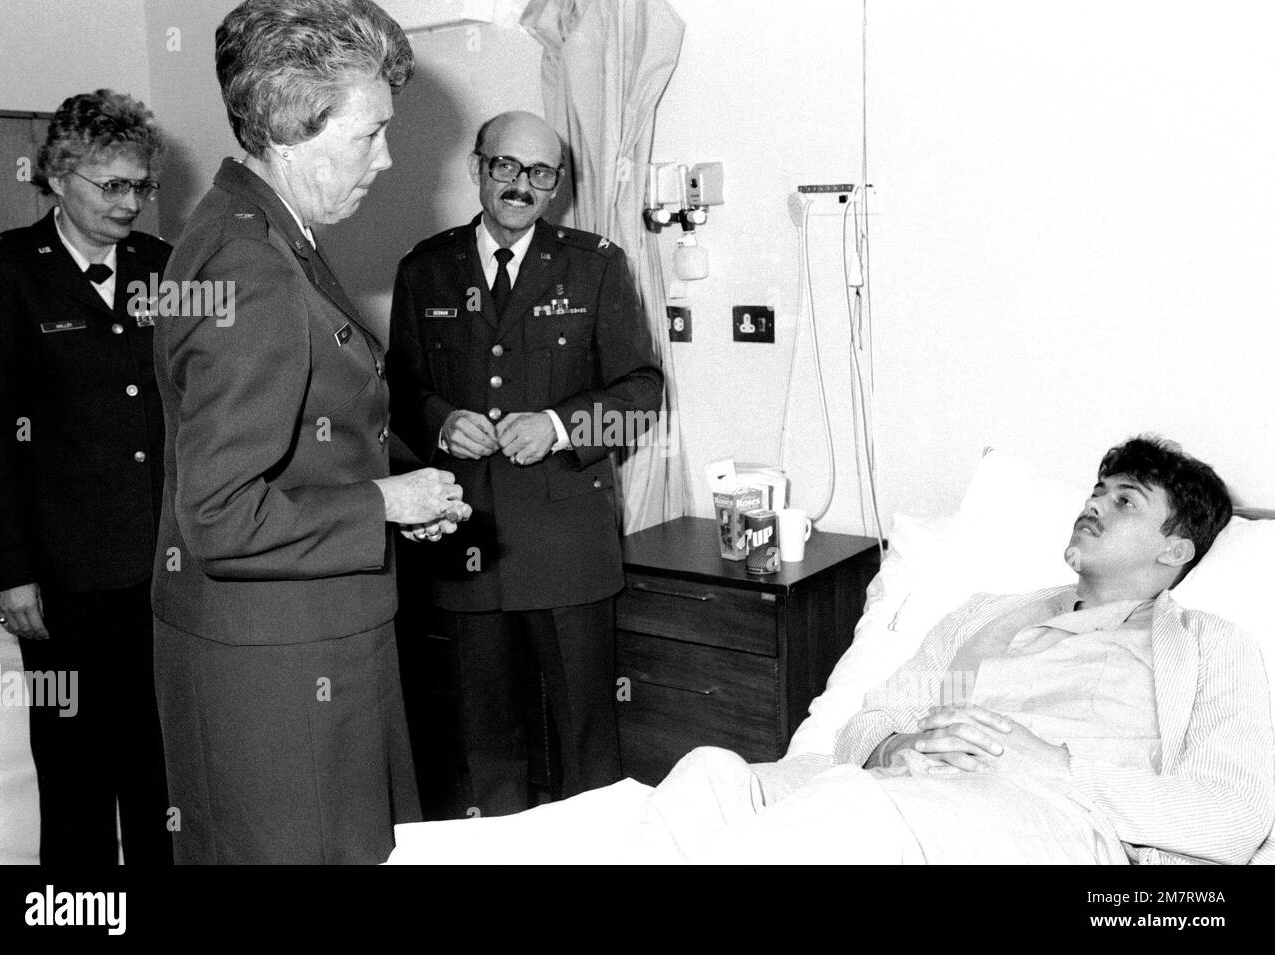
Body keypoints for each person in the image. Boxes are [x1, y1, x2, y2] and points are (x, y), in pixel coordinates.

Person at [151, 0, 470, 865]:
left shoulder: (259, 229)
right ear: (292, 130)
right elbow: (218, 513)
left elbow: (313, 429)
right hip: (281, 674)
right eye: (370, 134)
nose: (389, 157)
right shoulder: (252, 268)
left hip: (303, 636)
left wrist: (406, 498)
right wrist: (382, 501)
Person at [638, 435, 1273, 864]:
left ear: (1174, 549)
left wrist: (1052, 764)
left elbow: (1232, 818)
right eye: (1098, 490)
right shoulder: (990, 616)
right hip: (903, 786)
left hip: (1057, 820)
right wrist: (894, 747)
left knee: (849, 816)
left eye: (1125, 500)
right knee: (711, 778)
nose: (1093, 504)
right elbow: (874, 723)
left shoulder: (1205, 648)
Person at [388, 110, 663, 816]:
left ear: (557, 187)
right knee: (484, 745)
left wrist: (559, 425)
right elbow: (398, 390)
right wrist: (441, 422)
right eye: (505, 166)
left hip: (566, 544)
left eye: (539, 173)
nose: (520, 185)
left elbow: (641, 393)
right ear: (478, 168)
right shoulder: (424, 269)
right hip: (466, 537)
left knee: (587, 742)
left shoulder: (594, 264)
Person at [0, 89, 173, 864]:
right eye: (111, 186)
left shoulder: (165, 267)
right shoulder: (1, 272)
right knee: (76, 773)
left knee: (160, 774)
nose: (130, 204)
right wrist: (9, 570)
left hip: (159, 568)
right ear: (57, 177)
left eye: (140, 186)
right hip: (62, 578)